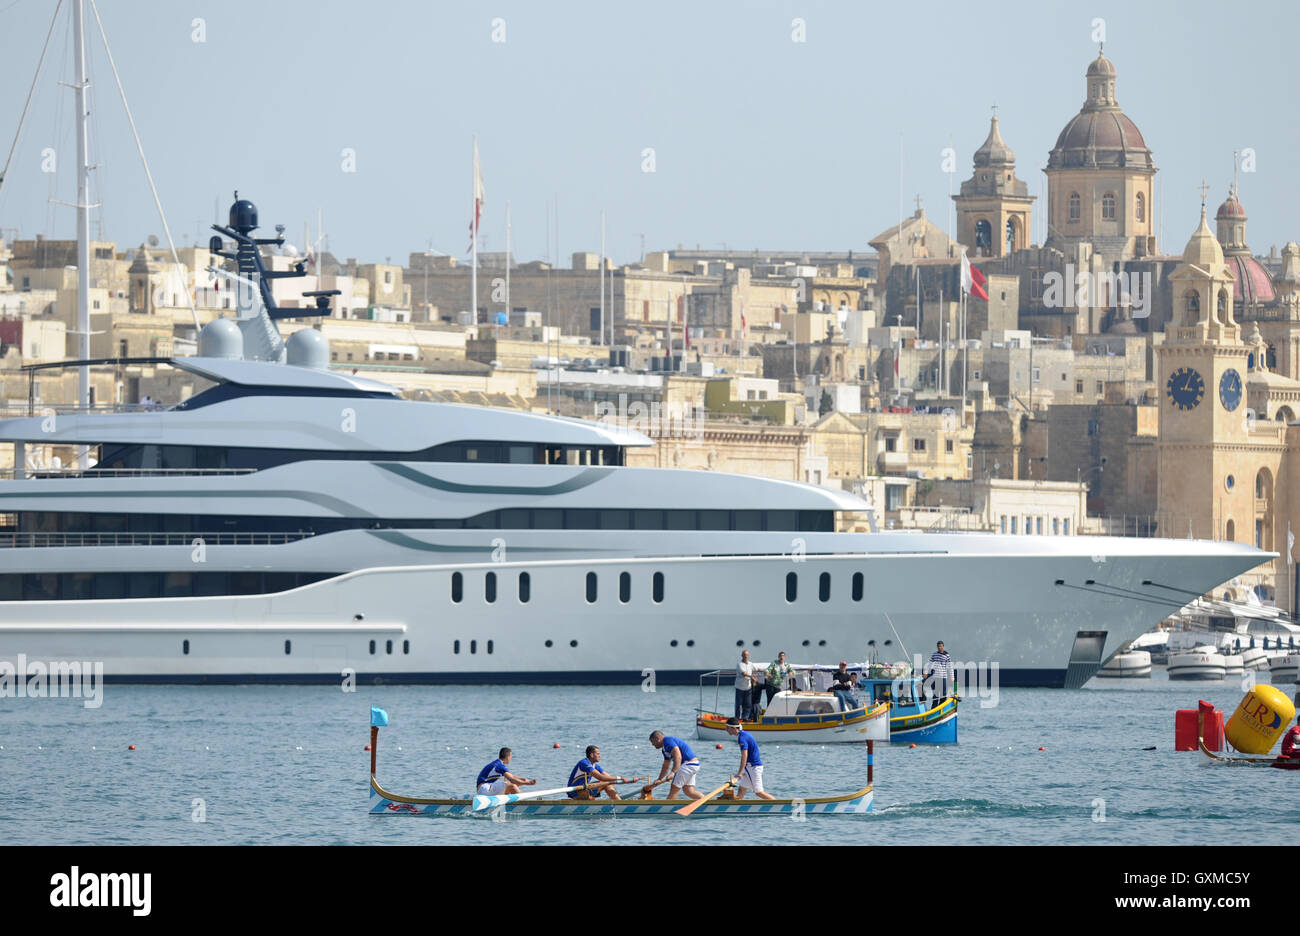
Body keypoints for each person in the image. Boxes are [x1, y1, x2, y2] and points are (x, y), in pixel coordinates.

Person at [726, 717, 774, 800]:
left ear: (733, 728)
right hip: (751, 767)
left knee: (759, 792)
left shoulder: (742, 738)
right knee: (741, 789)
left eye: (727, 728)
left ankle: (777, 805)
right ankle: (736, 809)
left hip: (753, 768)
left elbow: (744, 756)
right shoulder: (745, 734)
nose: (726, 730)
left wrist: (740, 773)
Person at [646, 730, 702, 800]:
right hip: (694, 765)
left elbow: (678, 756)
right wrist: (659, 779)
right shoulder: (664, 749)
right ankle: (708, 803)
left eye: (652, 742)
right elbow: (666, 765)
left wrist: (673, 773)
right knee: (689, 791)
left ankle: (666, 809)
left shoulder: (668, 742)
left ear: (658, 739)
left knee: (674, 790)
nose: (652, 744)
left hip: (688, 765)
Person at [923, 640, 954, 706]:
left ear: (943, 646)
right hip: (935, 677)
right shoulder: (934, 654)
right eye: (938, 646)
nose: (939, 648)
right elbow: (930, 664)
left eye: (941, 646)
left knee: (944, 694)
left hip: (943, 677)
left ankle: (941, 708)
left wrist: (952, 678)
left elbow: (950, 667)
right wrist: (925, 672)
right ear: (937, 647)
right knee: (935, 694)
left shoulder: (947, 655)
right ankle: (934, 708)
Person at [735, 649, 757, 721]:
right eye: (744, 655)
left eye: (747, 655)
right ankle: (737, 718)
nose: (746, 656)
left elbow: (757, 669)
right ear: (742, 656)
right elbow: (744, 673)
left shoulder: (750, 664)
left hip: (748, 688)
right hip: (740, 688)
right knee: (738, 705)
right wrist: (752, 677)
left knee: (748, 704)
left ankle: (745, 718)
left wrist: (765, 672)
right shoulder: (739, 664)